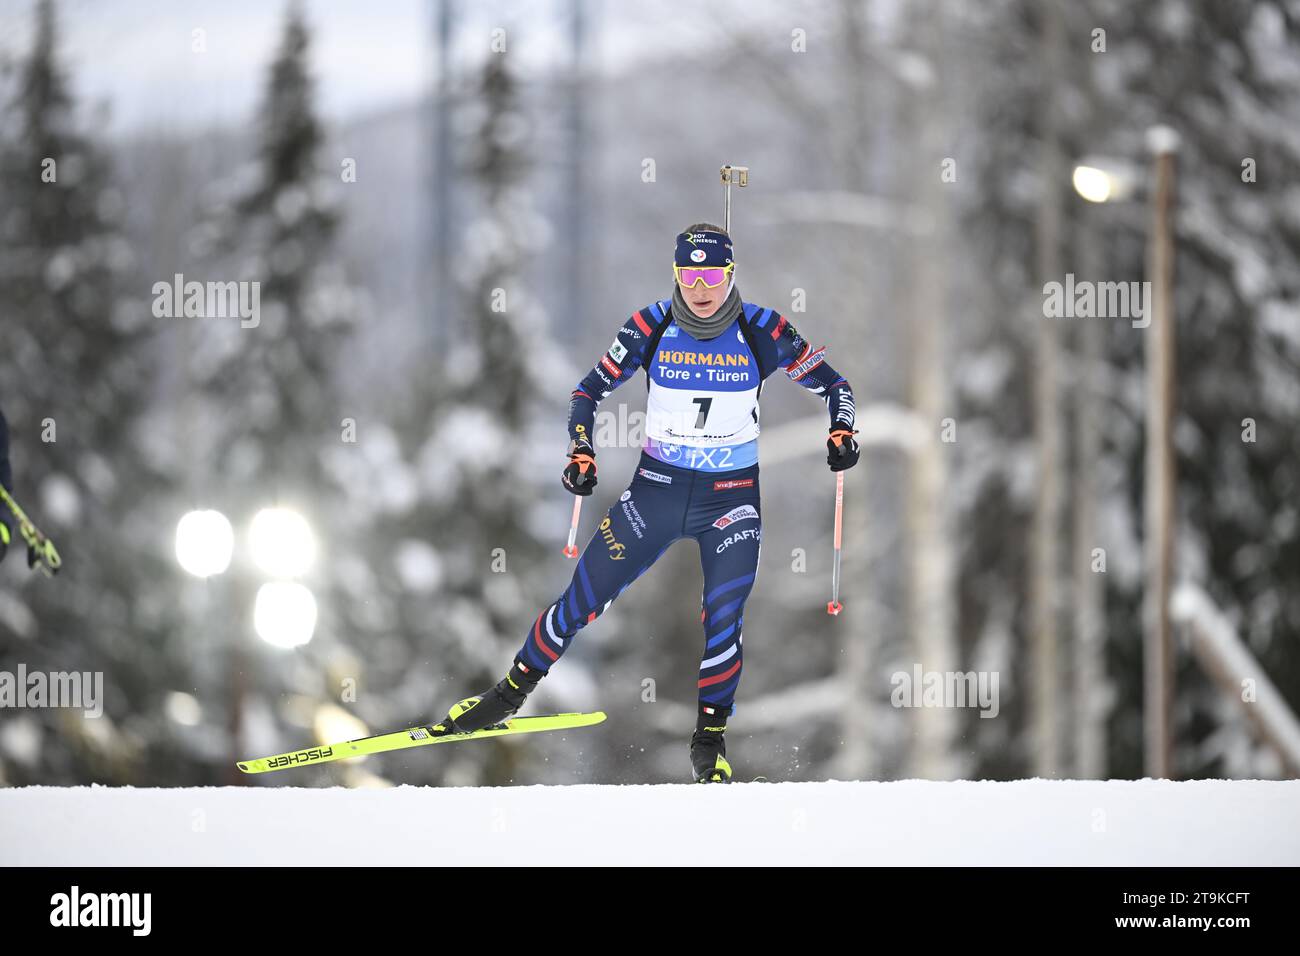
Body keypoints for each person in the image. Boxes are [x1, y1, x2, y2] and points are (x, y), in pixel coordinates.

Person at [435, 223, 859, 782]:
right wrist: (581, 450)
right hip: (655, 493)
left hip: (729, 499)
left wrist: (841, 432)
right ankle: (505, 698)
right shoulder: (649, 326)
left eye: (712, 275)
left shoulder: (763, 330)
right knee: (581, 602)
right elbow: (587, 391)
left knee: (724, 616)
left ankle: (709, 742)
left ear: (729, 274)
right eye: (690, 274)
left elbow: (836, 387)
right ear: (677, 275)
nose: (701, 287)